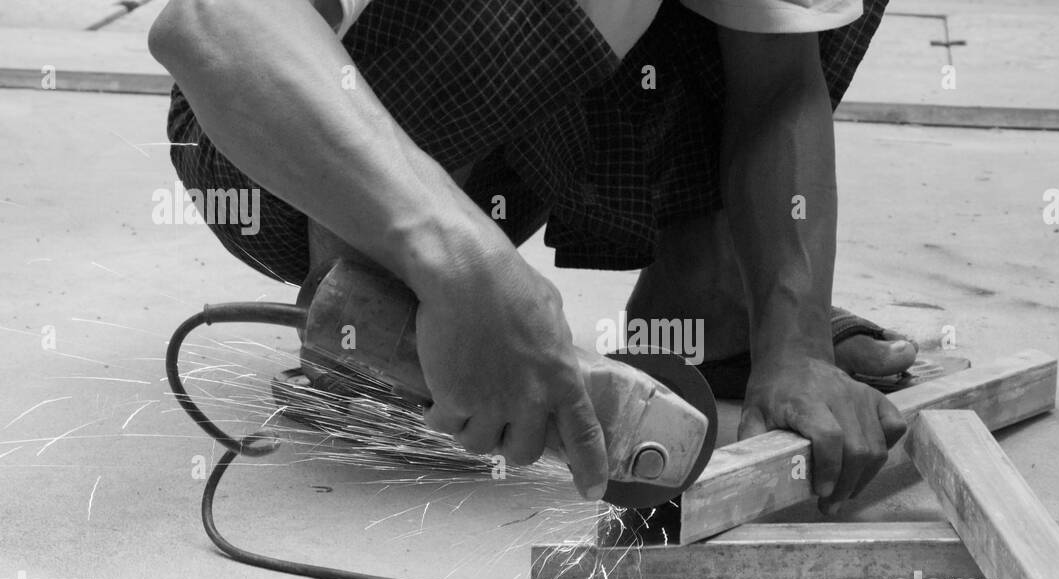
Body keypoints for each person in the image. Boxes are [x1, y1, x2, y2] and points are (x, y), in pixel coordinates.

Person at [148, 0, 914, 514]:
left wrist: (798, 343)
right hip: (265, 140)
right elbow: (213, 24)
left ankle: (708, 300)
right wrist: (461, 265)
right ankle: (368, 287)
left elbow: (778, 78)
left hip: (506, 123)